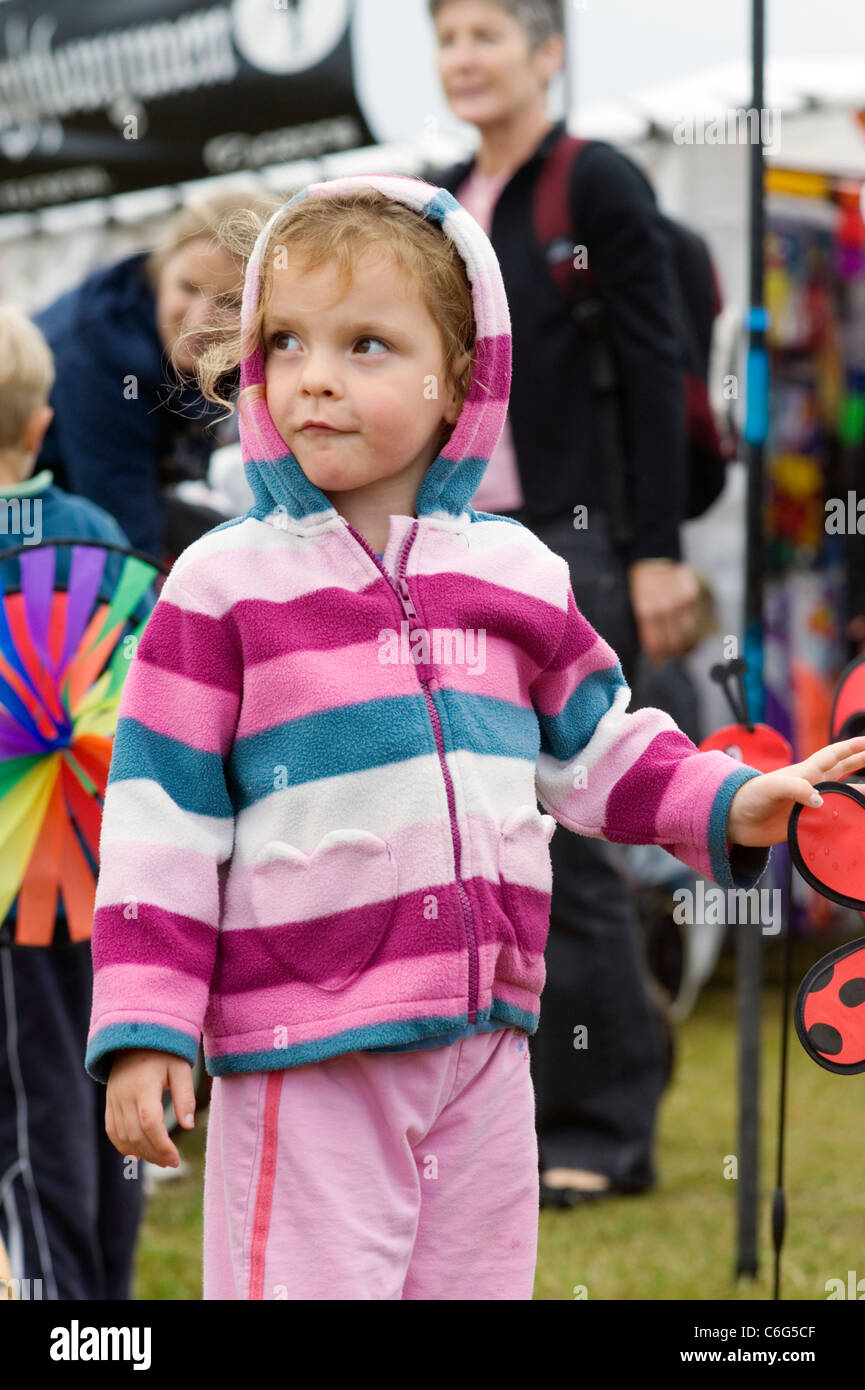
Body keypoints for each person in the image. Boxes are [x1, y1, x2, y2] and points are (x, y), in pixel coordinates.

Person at [83, 176, 865, 1302]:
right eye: (286, 341)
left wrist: (721, 798)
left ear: (457, 377)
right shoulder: (222, 586)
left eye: (364, 344)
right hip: (311, 1049)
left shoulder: (510, 571)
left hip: (485, 1045)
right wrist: (148, 1022)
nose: (314, 375)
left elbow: (598, 745)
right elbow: (160, 816)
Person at [428, 0, 700, 1201]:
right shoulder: (437, 199)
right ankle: (529, 1103)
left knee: (576, 835)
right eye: (445, 38)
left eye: (488, 33)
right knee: (488, 827)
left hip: (576, 545)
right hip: (458, 544)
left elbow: (654, 369)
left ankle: (603, 1128)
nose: (463, 58)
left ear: (547, 53)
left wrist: (654, 550)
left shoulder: (593, 184)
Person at [0, 307, 154, 1300]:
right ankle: (104, 1298)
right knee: (105, 1084)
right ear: (43, 422)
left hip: (14, 879)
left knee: (24, 1105)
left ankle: (60, 1304)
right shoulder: (91, 531)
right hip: (109, 860)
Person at [32, 191, 271, 563]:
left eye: (229, 302)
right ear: (161, 272)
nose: (198, 320)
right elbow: (123, 536)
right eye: (188, 288)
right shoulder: (98, 350)